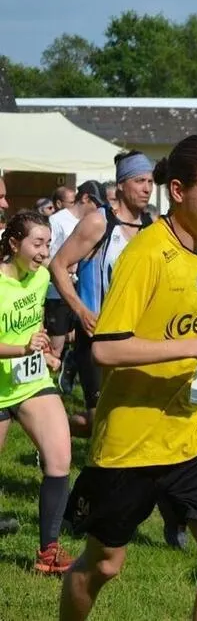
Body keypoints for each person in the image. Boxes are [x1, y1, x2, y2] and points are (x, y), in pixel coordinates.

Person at [60, 135, 197, 621]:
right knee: (104, 564)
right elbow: (109, 346)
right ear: (177, 190)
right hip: (131, 440)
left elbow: (191, 316)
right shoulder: (146, 254)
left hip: (193, 430)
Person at [48, 151, 154, 438]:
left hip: (135, 336)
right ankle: (51, 431)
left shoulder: (150, 227)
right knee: (101, 420)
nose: (147, 188)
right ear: (121, 184)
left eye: (151, 181)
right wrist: (81, 311)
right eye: (140, 180)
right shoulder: (99, 223)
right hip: (96, 335)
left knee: (127, 418)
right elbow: (57, 266)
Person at [0, 210, 75, 573]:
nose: (45, 252)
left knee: (60, 458)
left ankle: (48, 554)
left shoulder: (41, 276)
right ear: (14, 244)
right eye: (37, 243)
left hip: (31, 381)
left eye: (48, 243)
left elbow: (35, 326)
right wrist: (22, 349)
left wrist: (45, 353)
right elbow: (19, 340)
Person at [44, 181, 105, 385]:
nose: (99, 209)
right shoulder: (57, 220)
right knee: (57, 342)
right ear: (85, 198)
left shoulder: (95, 222)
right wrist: (62, 264)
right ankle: (47, 383)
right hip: (56, 291)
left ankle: (73, 364)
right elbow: (45, 253)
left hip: (80, 289)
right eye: (96, 203)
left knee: (77, 336)